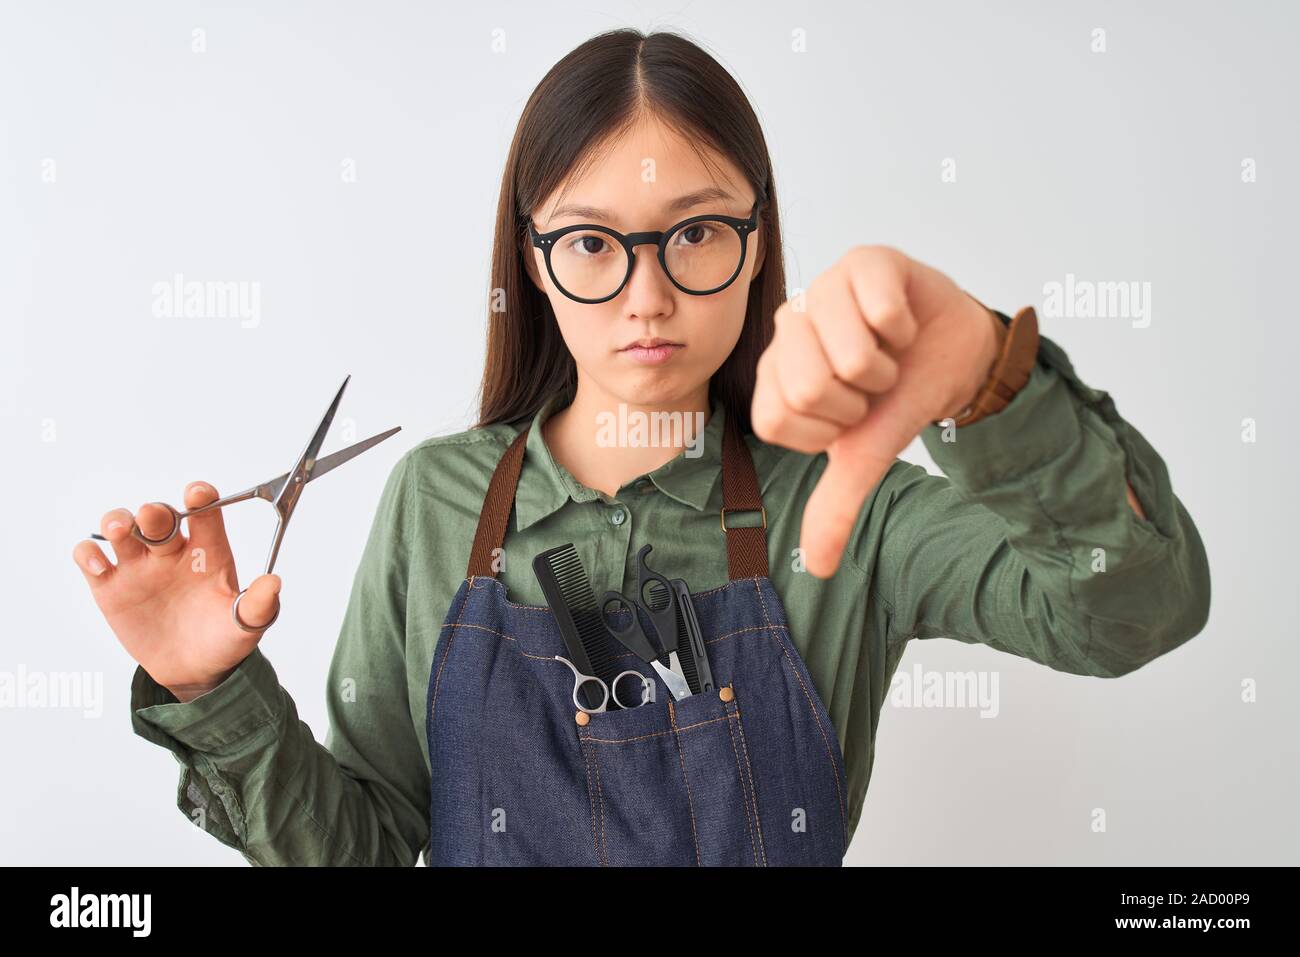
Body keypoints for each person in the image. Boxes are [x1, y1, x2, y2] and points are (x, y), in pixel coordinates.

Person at [73, 28, 1211, 866]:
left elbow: (1129, 613)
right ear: (531, 257)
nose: (647, 296)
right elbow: (366, 850)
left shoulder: (841, 505)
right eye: (591, 243)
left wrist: (987, 386)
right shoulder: (437, 503)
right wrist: (212, 688)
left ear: (757, 242)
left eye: (697, 233)